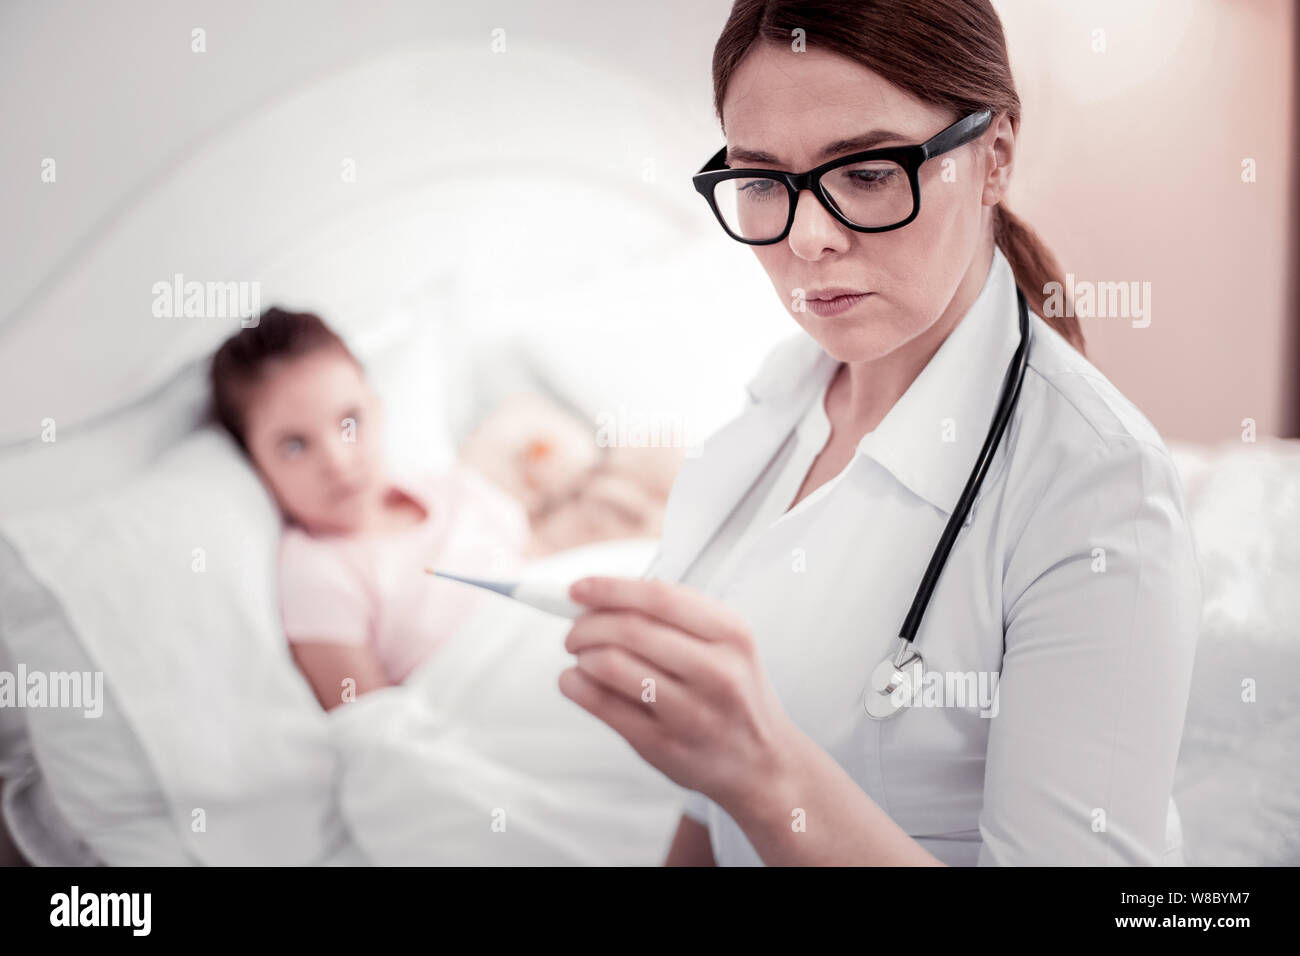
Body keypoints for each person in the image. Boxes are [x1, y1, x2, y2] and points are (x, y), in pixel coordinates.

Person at [557, 0, 1201, 866]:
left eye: (864, 173)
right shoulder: (767, 416)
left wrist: (766, 773)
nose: (811, 239)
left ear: (994, 155)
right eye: (762, 182)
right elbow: (707, 817)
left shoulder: (1096, 490)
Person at [209, 309, 677, 710]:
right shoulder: (317, 569)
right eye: (294, 445)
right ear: (256, 464)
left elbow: (551, 573)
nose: (336, 459)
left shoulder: (454, 488)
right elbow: (373, 725)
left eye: (349, 421)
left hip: (566, 644)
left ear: (377, 407)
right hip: (499, 697)